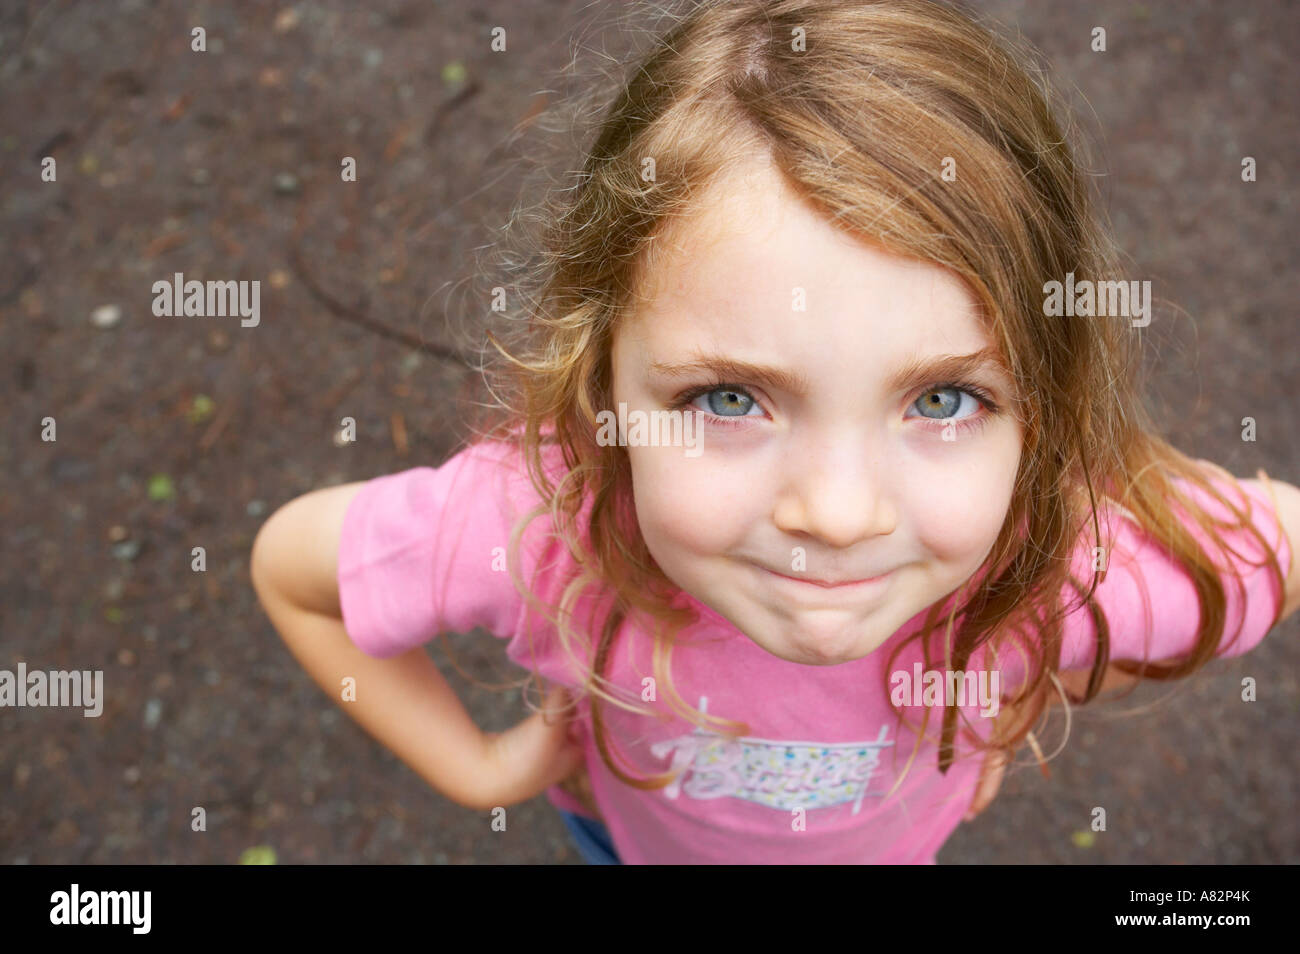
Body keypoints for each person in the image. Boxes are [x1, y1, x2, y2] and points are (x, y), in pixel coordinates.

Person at [250, 0, 1300, 864]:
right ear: (597, 365)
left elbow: (1272, 546)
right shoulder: (535, 525)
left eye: (943, 401)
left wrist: (1026, 673)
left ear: (1047, 407)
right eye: (727, 399)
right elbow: (295, 575)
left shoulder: (1063, 561)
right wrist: (476, 770)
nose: (836, 515)